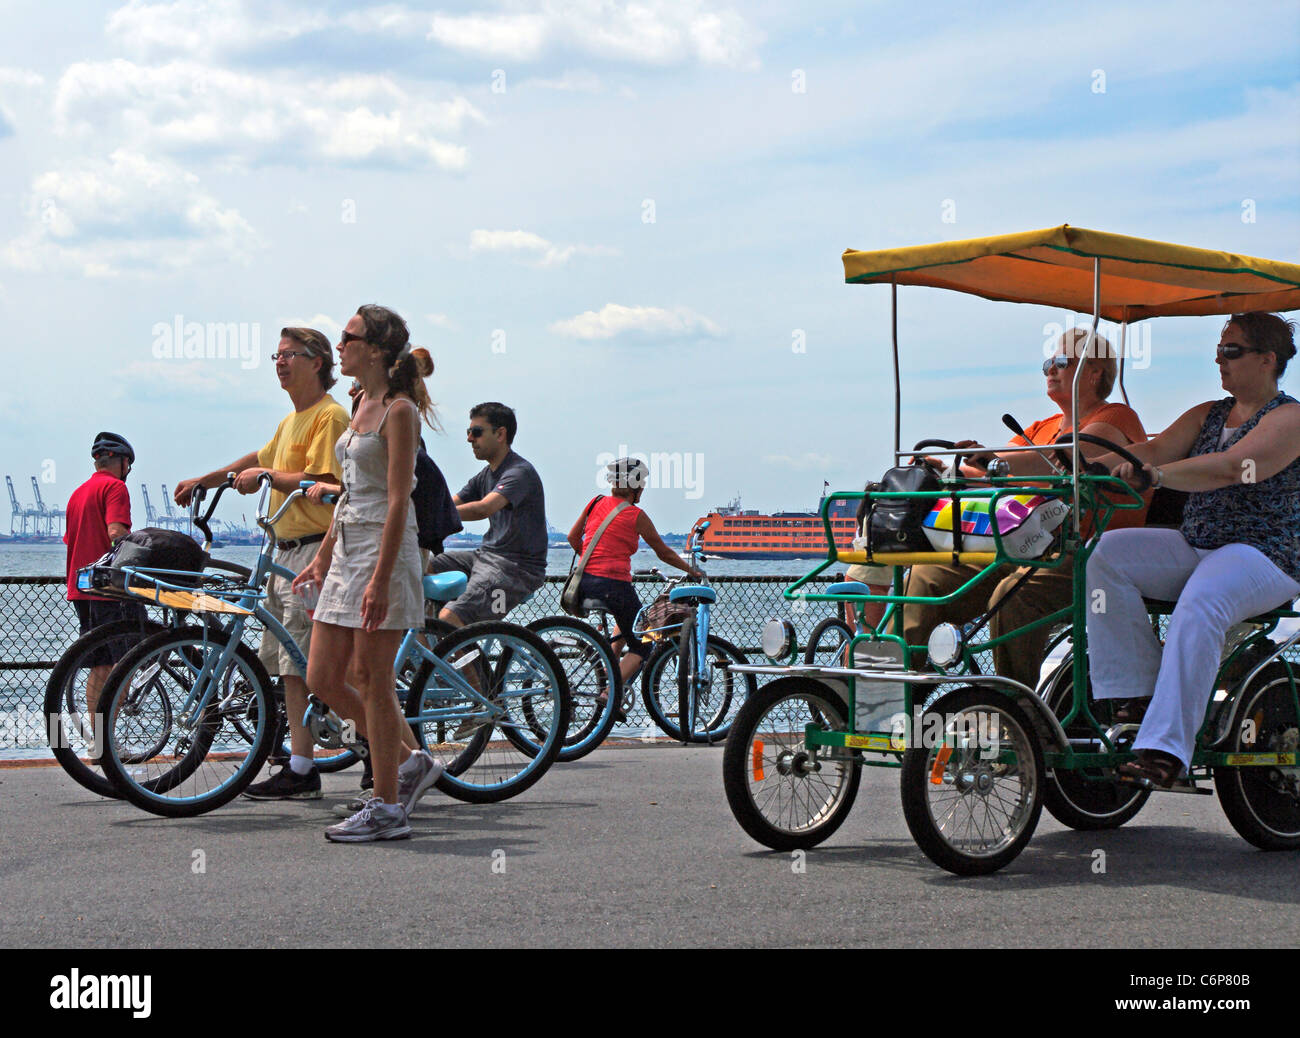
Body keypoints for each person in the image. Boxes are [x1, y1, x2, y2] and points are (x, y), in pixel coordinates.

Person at [1086, 312, 1300, 786]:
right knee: (1105, 554)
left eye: (1232, 350)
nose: (1219, 359)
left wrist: (1158, 478)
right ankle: (1138, 694)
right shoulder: (1210, 413)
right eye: (1219, 350)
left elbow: (1233, 467)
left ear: (1268, 360)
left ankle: (1165, 750)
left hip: (1263, 555)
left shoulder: (1291, 418)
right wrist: (1083, 470)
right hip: (1200, 545)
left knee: (1202, 600)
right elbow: (1154, 450)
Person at [902, 327, 1148, 689]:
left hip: (1085, 554)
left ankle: (1017, 714)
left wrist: (996, 461)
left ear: (1094, 372)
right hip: (1022, 545)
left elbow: (1071, 457)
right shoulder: (1039, 428)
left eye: (1061, 361)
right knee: (924, 577)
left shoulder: (1116, 419)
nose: (1050, 369)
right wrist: (951, 469)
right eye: (1048, 362)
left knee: (1015, 595)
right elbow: (992, 471)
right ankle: (897, 694)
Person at [174, 327, 349, 799]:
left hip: (316, 549)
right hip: (284, 549)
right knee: (288, 664)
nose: (280, 362)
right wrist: (207, 479)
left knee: (315, 665)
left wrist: (267, 474)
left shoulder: (329, 416)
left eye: (290, 354)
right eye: (277, 354)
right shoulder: (291, 420)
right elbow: (259, 458)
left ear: (317, 362)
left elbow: (322, 479)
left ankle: (378, 752)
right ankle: (301, 764)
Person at [292, 304, 441, 842]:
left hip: (385, 550)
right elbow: (352, 493)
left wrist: (380, 580)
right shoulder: (359, 402)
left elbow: (399, 499)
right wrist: (323, 554)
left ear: (376, 350)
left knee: (373, 680)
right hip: (349, 546)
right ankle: (408, 763)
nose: (341, 345)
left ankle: (387, 807)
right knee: (323, 677)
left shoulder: (399, 411)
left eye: (349, 338)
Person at [567, 458, 702, 691]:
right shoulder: (635, 515)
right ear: (636, 487)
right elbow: (664, 552)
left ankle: (608, 676)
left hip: (585, 582)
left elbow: (572, 538)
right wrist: (692, 570)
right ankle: (610, 693)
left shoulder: (594, 503)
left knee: (627, 621)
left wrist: (592, 559)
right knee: (642, 646)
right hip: (615, 586)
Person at [428, 402, 547, 628]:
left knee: (449, 619)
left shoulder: (519, 473)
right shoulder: (485, 475)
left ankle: (469, 663)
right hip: (484, 556)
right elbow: (449, 504)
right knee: (418, 571)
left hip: (516, 568)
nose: (470, 439)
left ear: (500, 434)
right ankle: (430, 656)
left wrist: (436, 515)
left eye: (477, 432)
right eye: (468, 432)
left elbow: (484, 508)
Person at [63, 432, 144, 727]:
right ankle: (107, 739)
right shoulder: (115, 488)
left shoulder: (78, 493)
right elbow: (116, 534)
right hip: (109, 590)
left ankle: (96, 742)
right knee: (126, 662)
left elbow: (70, 540)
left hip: (80, 588)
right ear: (123, 463)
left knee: (100, 665)